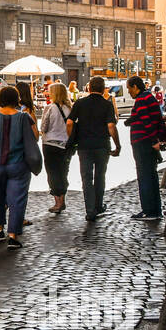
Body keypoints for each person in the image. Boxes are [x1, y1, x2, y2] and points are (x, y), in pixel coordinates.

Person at [0, 85, 41, 248]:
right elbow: (35, 136)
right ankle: (13, 235)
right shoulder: (24, 117)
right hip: (19, 164)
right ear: (16, 100)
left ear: (1, 99)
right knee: (18, 198)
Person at [67, 76, 122, 221]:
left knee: (86, 178)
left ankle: (90, 210)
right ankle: (98, 206)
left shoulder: (80, 103)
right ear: (103, 89)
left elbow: (69, 123)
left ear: (89, 88)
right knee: (100, 176)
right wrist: (117, 145)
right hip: (102, 145)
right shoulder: (107, 105)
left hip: (84, 146)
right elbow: (111, 126)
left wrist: (71, 139)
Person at [125, 75, 166, 221]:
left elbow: (146, 121)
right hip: (148, 142)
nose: (129, 91)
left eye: (129, 88)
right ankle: (155, 209)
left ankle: (149, 210)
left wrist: (154, 140)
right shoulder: (149, 97)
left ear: (135, 86)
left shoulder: (141, 99)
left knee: (144, 176)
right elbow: (157, 119)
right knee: (151, 175)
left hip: (143, 142)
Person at [40, 81, 73, 214]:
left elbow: (44, 127)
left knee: (52, 173)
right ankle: (62, 200)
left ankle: (57, 203)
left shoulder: (49, 108)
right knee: (63, 172)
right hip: (66, 145)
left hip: (50, 145)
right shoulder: (70, 108)